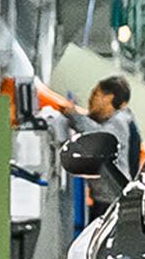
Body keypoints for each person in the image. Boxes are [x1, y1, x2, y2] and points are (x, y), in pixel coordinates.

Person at [42, 74, 138, 219]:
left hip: (111, 202)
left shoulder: (120, 121)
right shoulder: (112, 120)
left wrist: (73, 115)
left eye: (95, 95)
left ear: (108, 98)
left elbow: (99, 137)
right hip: (105, 199)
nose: (90, 100)